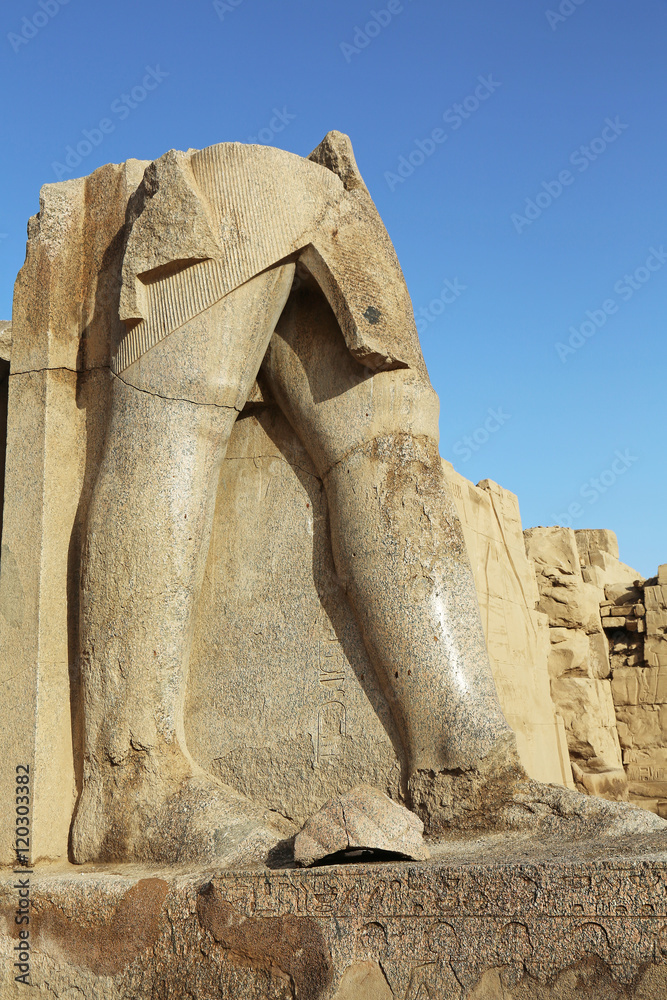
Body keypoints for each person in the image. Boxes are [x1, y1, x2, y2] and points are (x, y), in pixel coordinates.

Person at [71, 133, 664, 864]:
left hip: (333, 199)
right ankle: (132, 777)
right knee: (172, 414)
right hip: (230, 193)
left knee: (394, 438)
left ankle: (466, 773)